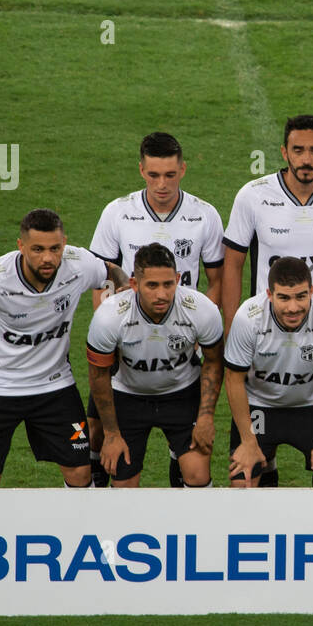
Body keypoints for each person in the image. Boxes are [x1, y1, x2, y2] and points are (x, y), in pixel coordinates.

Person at [221, 114, 313, 486]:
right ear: (284, 152)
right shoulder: (253, 196)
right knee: (253, 466)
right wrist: (230, 329)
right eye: (298, 150)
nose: (306, 159)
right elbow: (233, 265)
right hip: (264, 334)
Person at [0, 209, 127, 488]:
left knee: (80, 473)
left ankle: (75, 530)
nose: (48, 258)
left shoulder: (79, 265)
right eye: (37, 249)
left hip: (54, 386)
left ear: (64, 243)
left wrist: (121, 302)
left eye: (55, 248)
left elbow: (113, 272)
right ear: (21, 246)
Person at [87, 131, 225, 487]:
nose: (162, 184)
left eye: (170, 174)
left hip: (182, 339)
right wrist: (114, 330)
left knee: (194, 465)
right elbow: (102, 277)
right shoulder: (117, 213)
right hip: (128, 341)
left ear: (182, 170)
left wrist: (197, 328)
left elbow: (216, 280)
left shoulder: (205, 215)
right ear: (141, 171)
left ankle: (178, 465)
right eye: (153, 175)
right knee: (97, 440)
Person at [86, 243, 225, 488]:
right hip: (128, 395)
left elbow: (213, 362)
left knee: (198, 475)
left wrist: (205, 417)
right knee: (124, 485)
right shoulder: (110, 316)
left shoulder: (202, 310)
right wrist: (111, 434)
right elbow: (98, 375)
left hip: (181, 394)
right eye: (152, 285)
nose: (161, 294)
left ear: (178, 279)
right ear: (134, 284)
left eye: (168, 284)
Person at [223, 256, 313, 488]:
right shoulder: (248, 318)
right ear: (269, 294)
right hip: (260, 405)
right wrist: (247, 442)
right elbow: (233, 380)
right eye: (283, 297)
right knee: (242, 483)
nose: (293, 307)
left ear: (312, 291)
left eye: (301, 296)